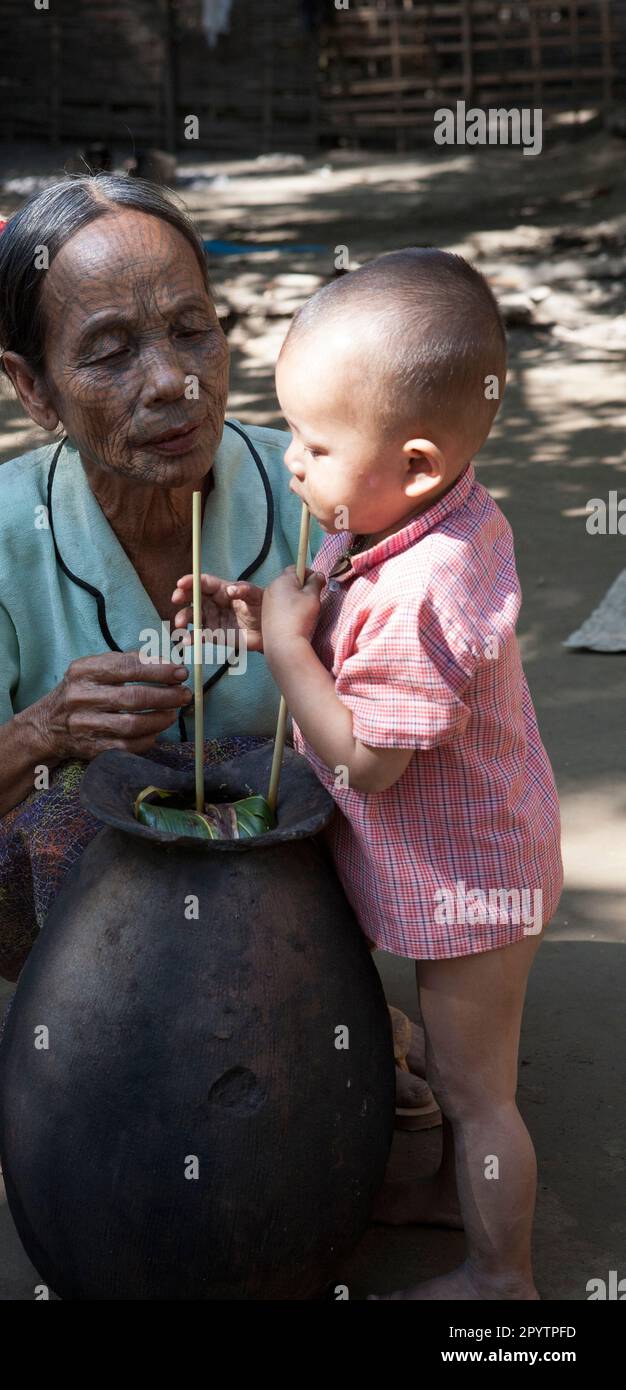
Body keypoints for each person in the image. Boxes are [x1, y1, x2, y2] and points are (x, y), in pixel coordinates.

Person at [0, 175, 434, 1171]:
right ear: (31, 388)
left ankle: (327, 1003)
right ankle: (57, 1023)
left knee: (317, 777)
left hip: (289, 892)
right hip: (95, 911)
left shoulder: (322, 500)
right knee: (58, 812)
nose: (173, 382)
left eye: (191, 330)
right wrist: (44, 733)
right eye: (110, 350)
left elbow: (430, 725)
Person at [176, 248, 564, 1299]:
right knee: (449, 1069)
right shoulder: (420, 521)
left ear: (420, 460)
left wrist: (294, 652)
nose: (289, 465)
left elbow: (368, 759)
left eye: (312, 443)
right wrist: (273, 624)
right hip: (481, 846)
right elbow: (358, 650)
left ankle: (500, 1278)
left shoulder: (420, 585)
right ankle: (451, 1194)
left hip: (472, 877)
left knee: (476, 1092)